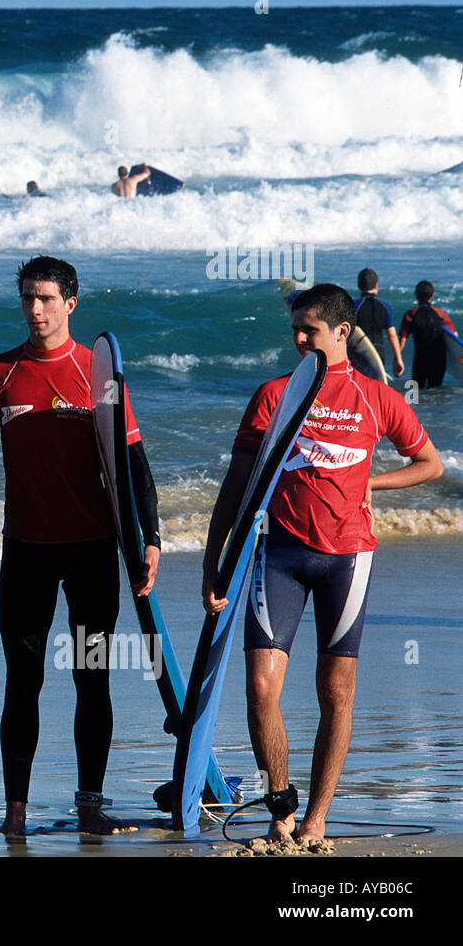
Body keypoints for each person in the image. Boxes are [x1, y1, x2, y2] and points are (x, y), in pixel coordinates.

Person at [200, 283, 441, 845]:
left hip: (349, 559)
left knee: (336, 691)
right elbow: (235, 487)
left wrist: (371, 482)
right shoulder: (273, 396)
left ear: (341, 333)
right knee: (261, 688)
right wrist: (216, 561)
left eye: (309, 330)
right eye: (295, 330)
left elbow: (428, 462)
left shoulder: (378, 399)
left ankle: (315, 820)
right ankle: (281, 809)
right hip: (279, 554)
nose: (299, 338)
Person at [0, 255, 160, 837]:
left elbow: (132, 462)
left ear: (70, 304)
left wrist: (150, 538)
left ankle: (90, 805)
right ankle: (15, 812)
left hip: (93, 549)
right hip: (27, 551)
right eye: (27, 297)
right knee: (22, 680)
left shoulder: (96, 373)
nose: (35, 308)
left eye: (46, 298)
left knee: (90, 676)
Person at [398, 280, 457, 390]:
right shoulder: (441, 314)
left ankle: (418, 407)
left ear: (416, 295)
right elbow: (454, 336)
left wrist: (397, 359)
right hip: (439, 361)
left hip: (420, 360)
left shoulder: (411, 314)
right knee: (434, 391)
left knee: (417, 391)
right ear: (433, 295)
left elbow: (403, 339)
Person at [353, 268, 405, 378]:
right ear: (376, 285)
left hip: (358, 353)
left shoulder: (354, 306)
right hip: (378, 353)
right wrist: (398, 358)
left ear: (359, 286)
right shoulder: (384, 307)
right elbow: (392, 334)